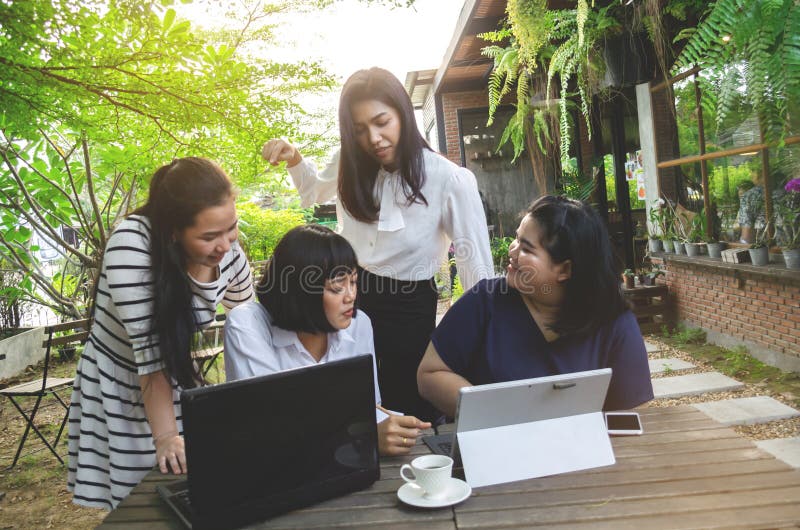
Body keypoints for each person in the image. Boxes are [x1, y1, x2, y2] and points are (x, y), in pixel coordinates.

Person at [261, 67, 493, 421]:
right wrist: (294, 157)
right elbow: (312, 191)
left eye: (382, 121)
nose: (374, 138)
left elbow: (475, 268)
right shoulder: (349, 164)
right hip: (352, 296)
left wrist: (481, 337)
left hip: (409, 304)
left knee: (405, 402)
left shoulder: (448, 179)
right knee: (349, 399)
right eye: (359, 130)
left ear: (402, 112)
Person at [67, 157, 254, 509]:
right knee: (143, 495)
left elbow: (250, 319)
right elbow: (151, 358)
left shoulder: (227, 250)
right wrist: (167, 436)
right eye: (209, 236)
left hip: (179, 376)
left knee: (199, 483)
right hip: (125, 378)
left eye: (232, 228)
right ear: (173, 231)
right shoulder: (131, 246)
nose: (226, 245)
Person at [417, 195, 654, 418]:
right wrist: (492, 414)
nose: (512, 251)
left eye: (527, 248)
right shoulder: (484, 302)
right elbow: (430, 375)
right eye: (517, 239)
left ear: (564, 270)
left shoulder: (613, 321)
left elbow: (632, 411)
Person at [223, 224, 431, 456]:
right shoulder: (247, 325)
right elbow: (272, 422)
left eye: (353, 282)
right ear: (300, 290)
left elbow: (368, 408)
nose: (351, 296)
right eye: (336, 287)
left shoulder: (358, 324)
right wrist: (364, 436)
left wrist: (391, 427)